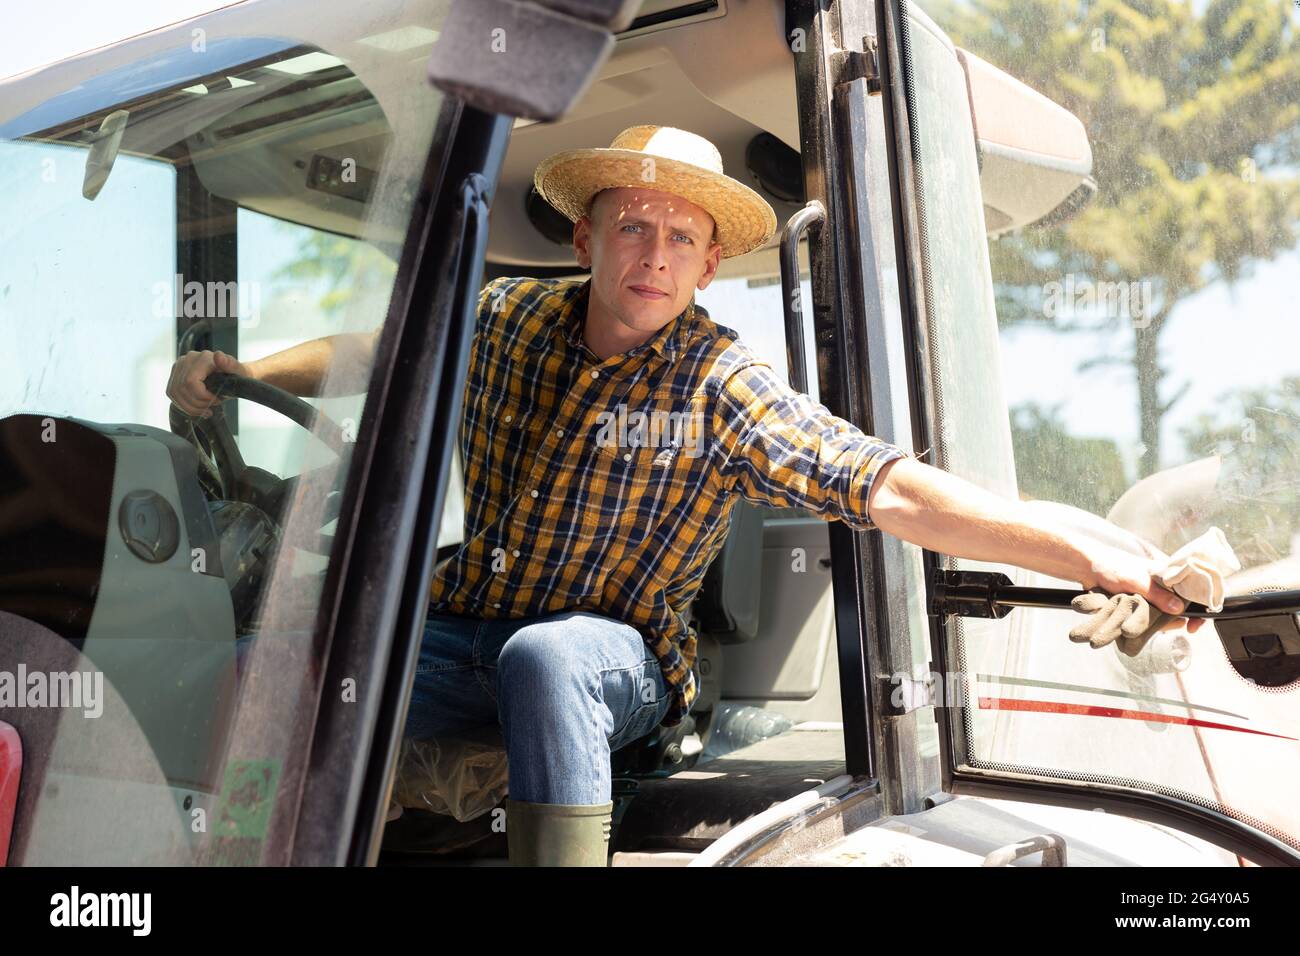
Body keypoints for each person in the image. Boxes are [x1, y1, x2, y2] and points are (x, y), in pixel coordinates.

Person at [166, 125, 1198, 866]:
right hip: (460, 628)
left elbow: (894, 490)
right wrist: (243, 364)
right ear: (586, 239)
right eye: (631, 226)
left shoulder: (721, 387)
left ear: (708, 262)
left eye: (678, 235)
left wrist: (1088, 556)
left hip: (611, 662)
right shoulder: (506, 317)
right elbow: (380, 351)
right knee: (268, 663)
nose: (652, 252)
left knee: (547, 654)